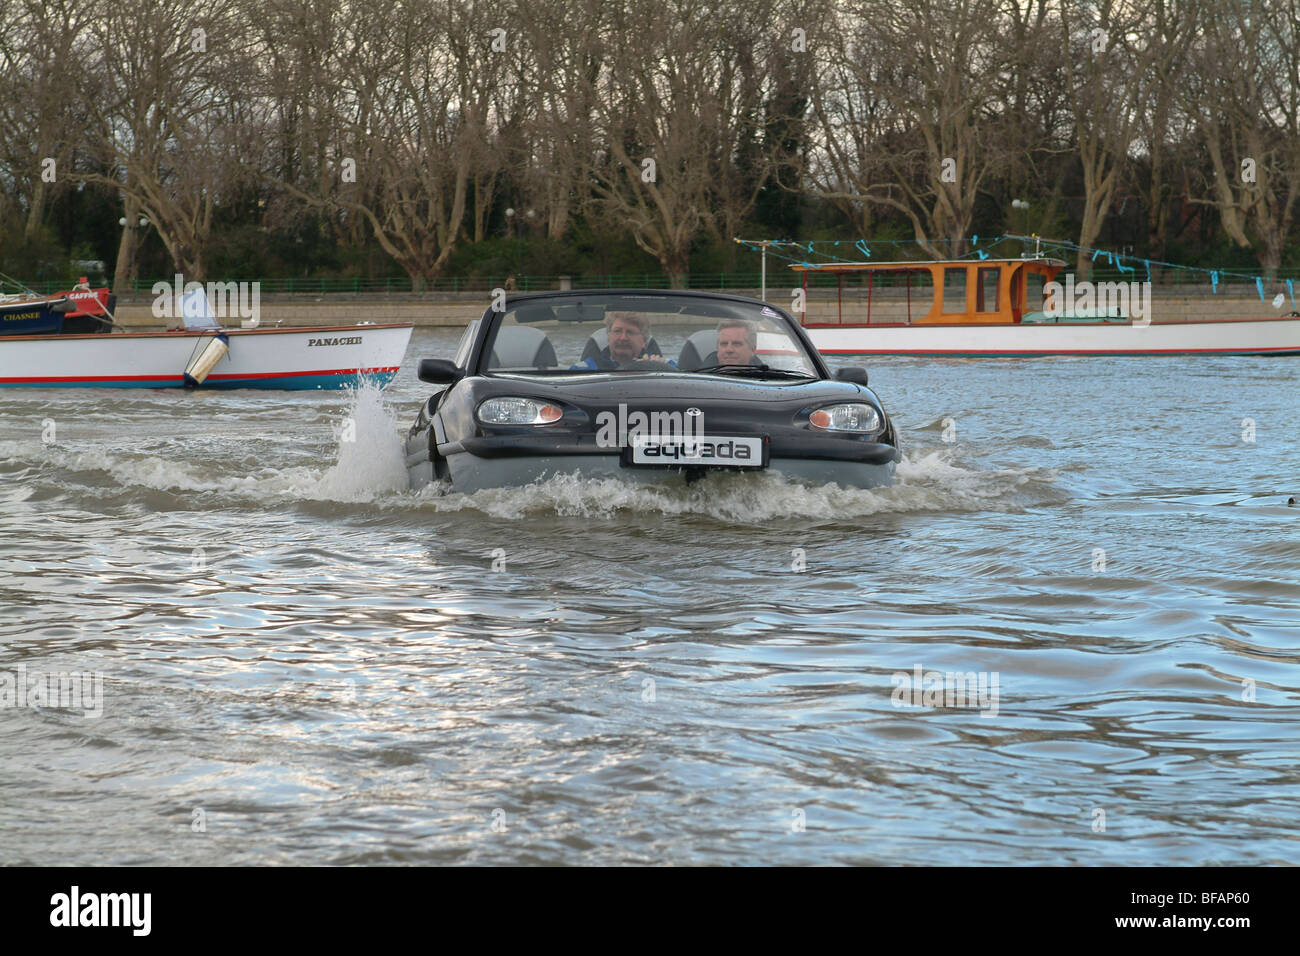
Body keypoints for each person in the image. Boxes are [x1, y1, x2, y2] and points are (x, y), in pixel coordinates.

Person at [574, 311, 668, 369]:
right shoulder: (582, 370)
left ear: (644, 341)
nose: (623, 338)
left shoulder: (666, 366)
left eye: (630, 332)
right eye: (617, 331)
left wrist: (659, 371)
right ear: (609, 337)